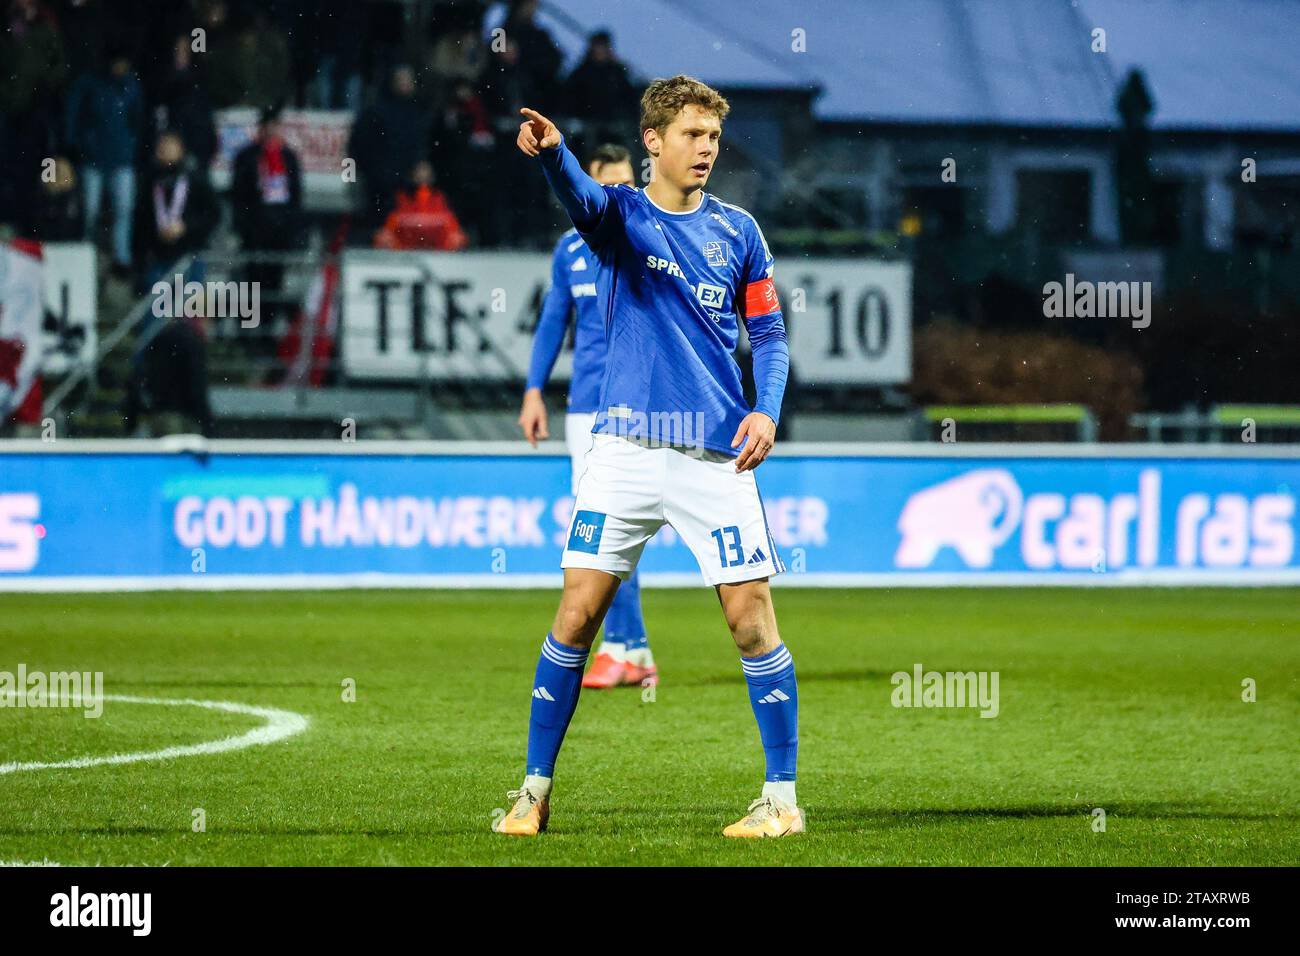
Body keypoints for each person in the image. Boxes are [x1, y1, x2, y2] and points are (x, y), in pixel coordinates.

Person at [494, 76, 798, 838]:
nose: (707, 150)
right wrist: (555, 155)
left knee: (751, 623)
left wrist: (766, 409)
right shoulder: (618, 218)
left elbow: (768, 336)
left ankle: (782, 802)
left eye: (715, 138)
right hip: (625, 452)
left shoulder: (741, 233)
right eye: (694, 136)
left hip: (713, 457)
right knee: (576, 616)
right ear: (654, 143)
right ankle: (532, 794)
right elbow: (580, 198)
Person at [519, 143, 657, 689]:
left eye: (631, 184)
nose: (623, 195)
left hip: (639, 406)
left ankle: (631, 649)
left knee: (608, 526)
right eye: (611, 185)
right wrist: (533, 390)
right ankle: (631, 648)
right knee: (602, 528)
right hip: (584, 408)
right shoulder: (569, 250)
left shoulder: (649, 239)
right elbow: (554, 319)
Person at [64, 49, 143, 276]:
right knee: (89, 211)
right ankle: (86, 254)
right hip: (93, 159)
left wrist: (131, 146)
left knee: (124, 210)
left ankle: (121, 259)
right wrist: (79, 146)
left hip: (122, 158)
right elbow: (74, 115)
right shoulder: (90, 83)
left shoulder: (131, 84)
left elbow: (138, 119)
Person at [372, 160, 467, 252]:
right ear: (412, 175)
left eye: (425, 171)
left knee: (458, 238)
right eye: (419, 171)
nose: (422, 175)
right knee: (383, 238)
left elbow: (451, 223)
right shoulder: (401, 196)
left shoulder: (441, 196)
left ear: (432, 176)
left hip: (437, 242)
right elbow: (391, 223)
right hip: (405, 243)